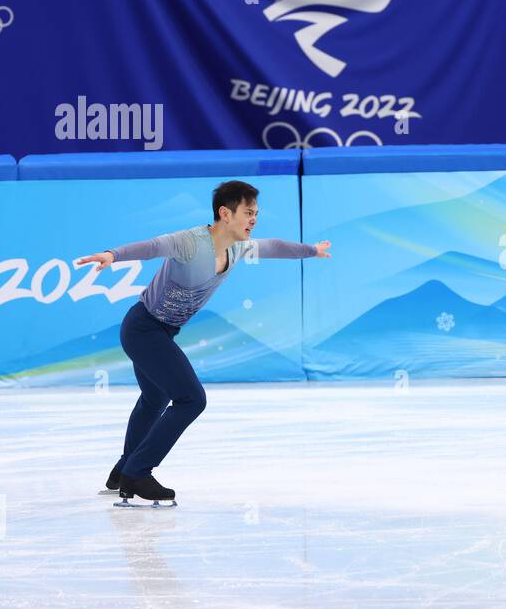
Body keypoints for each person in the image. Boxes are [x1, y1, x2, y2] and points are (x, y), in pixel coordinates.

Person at [75, 180, 330, 506]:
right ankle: (138, 472)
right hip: (143, 328)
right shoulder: (190, 242)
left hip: (162, 332)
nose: (254, 220)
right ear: (225, 213)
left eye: (256, 214)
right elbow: (151, 247)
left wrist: (312, 250)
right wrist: (113, 254)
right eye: (248, 213)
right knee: (192, 399)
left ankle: (123, 471)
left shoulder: (238, 248)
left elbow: (275, 246)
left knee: (155, 397)